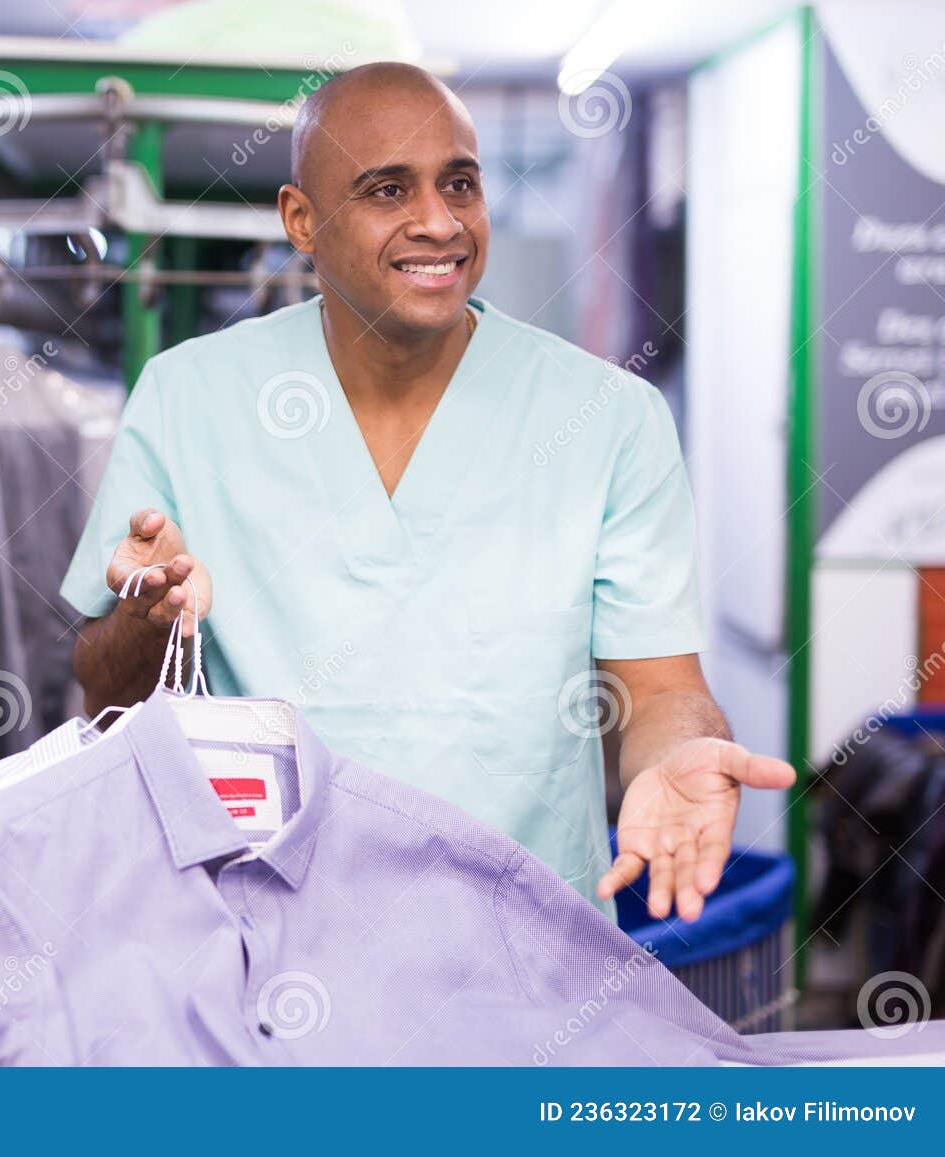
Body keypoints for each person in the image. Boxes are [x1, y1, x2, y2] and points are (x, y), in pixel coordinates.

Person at [60, 62, 794, 923]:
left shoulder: (609, 417)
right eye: (387, 190)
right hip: (261, 941)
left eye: (461, 183)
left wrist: (679, 752)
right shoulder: (190, 397)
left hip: (527, 946)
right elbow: (106, 704)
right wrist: (150, 618)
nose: (440, 223)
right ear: (303, 219)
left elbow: (664, 688)